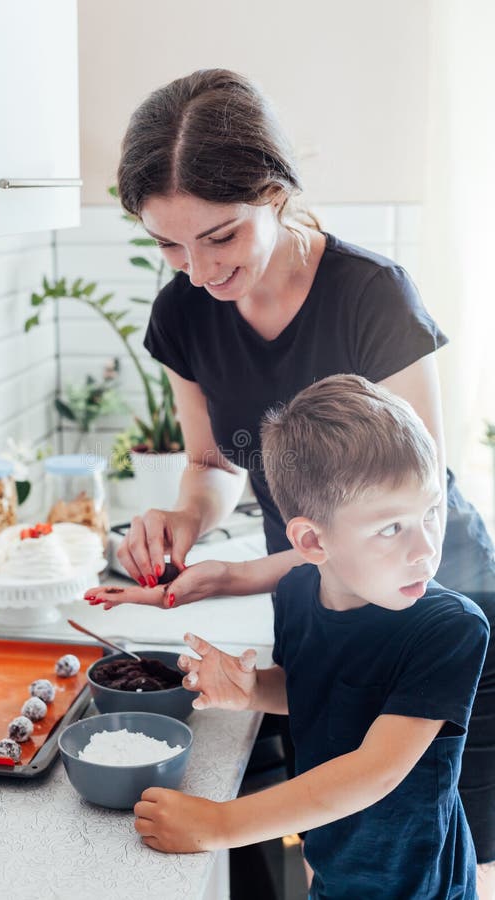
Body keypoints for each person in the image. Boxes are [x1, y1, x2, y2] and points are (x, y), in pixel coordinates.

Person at [87, 69, 495, 894]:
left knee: (446, 849)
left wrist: (255, 570)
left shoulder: (370, 296)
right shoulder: (184, 312)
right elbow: (213, 463)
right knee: (344, 845)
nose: (198, 271)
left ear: (276, 193)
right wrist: (188, 520)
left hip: (419, 584)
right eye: (168, 244)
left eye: (221, 237)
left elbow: (415, 499)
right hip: (317, 593)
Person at [132, 375, 489, 899]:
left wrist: (220, 825)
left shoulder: (450, 628)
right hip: (335, 864)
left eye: (431, 512)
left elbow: (374, 772)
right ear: (311, 541)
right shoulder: (298, 594)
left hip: (416, 884)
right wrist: (254, 690)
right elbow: (317, 688)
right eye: (391, 528)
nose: (424, 548)